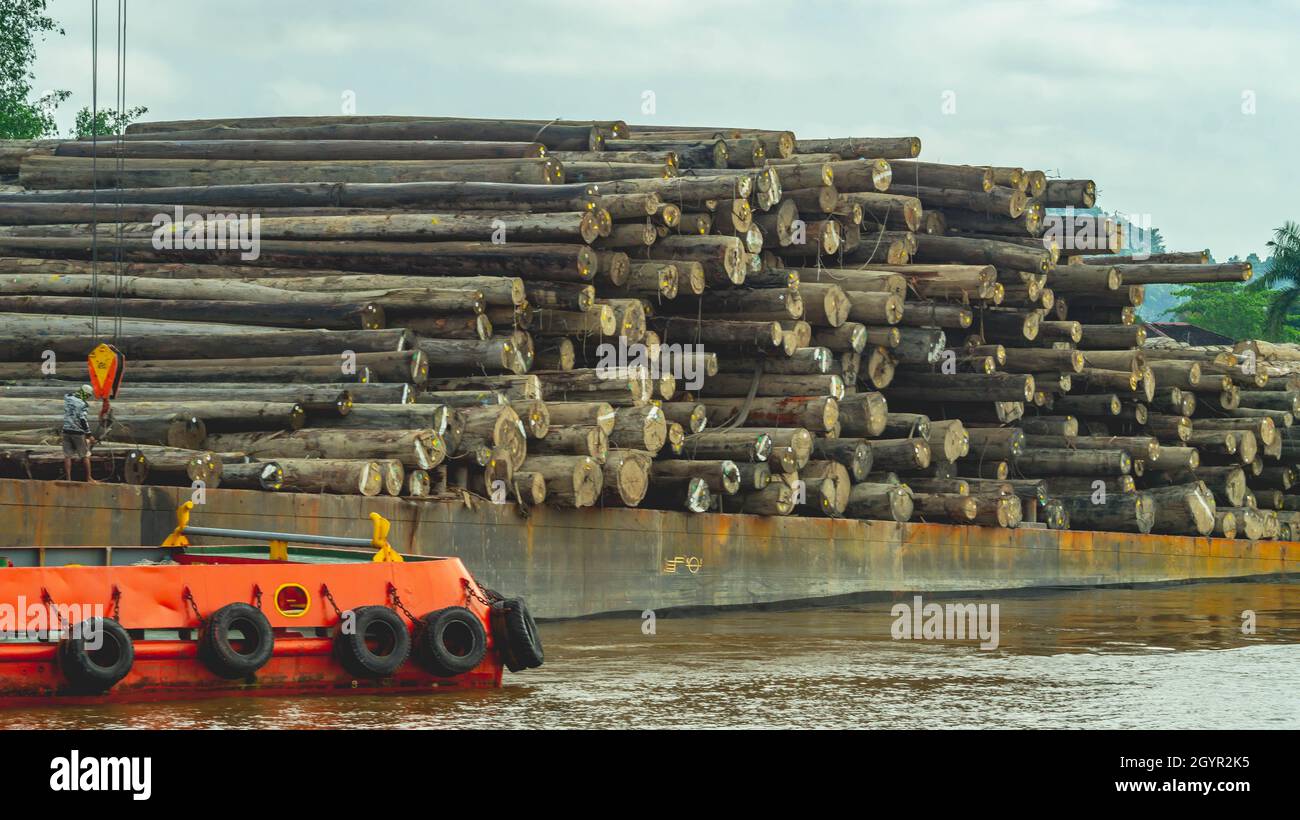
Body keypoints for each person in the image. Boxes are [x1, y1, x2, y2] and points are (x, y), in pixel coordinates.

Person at [62, 385, 99, 484]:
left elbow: (69, 394)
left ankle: (68, 479)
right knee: (85, 455)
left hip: (66, 430)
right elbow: (83, 419)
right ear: (86, 395)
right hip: (77, 432)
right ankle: (89, 478)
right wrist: (89, 434)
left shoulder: (68, 398)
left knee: (67, 456)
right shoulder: (83, 405)